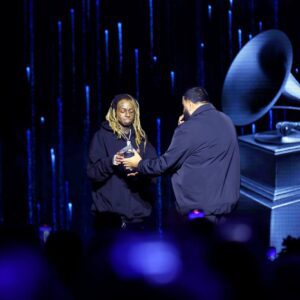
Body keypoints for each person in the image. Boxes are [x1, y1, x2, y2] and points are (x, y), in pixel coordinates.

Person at [123, 87, 240, 222]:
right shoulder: (227, 120)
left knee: (196, 242)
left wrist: (139, 164)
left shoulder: (189, 129)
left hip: (200, 213)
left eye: (183, 106)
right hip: (227, 210)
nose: (183, 111)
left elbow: (165, 165)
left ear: (189, 104)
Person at [87, 94, 157, 230]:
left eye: (131, 111)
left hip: (137, 218)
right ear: (114, 112)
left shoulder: (141, 139)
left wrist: (140, 171)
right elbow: (92, 172)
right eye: (123, 110)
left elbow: (154, 172)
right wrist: (111, 162)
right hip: (109, 218)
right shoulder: (102, 136)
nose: (127, 114)